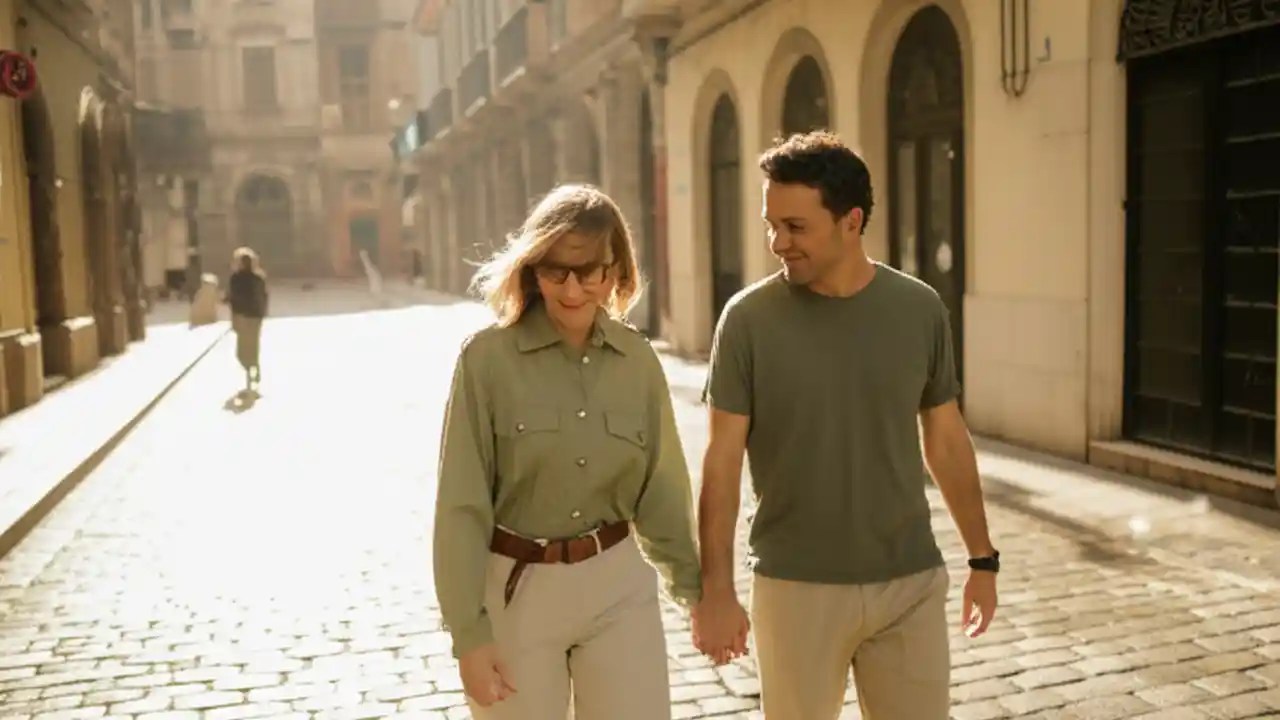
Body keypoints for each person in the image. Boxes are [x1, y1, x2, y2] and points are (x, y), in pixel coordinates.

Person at [692, 130, 999, 719]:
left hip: (908, 583)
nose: (778, 242)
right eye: (770, 224)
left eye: (796, 227)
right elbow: (721, 461)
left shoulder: (919, 309)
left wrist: (982, 559)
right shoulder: (747, 320)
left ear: (851, 221)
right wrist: (717, 589)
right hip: (795, 588)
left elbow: (947, 440)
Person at [433, 183, 701, 719]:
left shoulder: (637, 360)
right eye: (556, 270)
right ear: (532, 271)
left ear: (615, 270)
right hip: (517, 592)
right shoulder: (486, 361)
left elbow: (663, 489)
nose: (574, 288)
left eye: (590, 271)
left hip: (617, 585)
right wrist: (468, 634)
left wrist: (698, 594)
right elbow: (461, 506)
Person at [227, 247, 268, 392]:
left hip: (244, 316)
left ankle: (251, 368)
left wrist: (233, 316)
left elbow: (233, 299)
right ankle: (253, 367)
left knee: (243, 348)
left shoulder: (237, 278)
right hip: (254, 316)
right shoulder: (259, 277)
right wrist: (263, 314)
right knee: (252, 344)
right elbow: (264, 297)